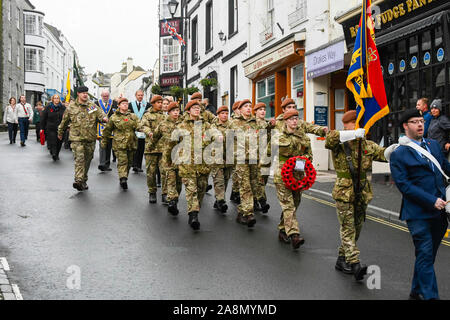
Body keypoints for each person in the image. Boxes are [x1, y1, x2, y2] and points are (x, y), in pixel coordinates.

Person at [389, 109, 450, 300]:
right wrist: (432, 200)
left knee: (427, 257)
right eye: (415, 122)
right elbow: (405, 186)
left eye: (421, 121)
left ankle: (415, 291)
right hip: (417, 214)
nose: (420, 124)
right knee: (424, 253)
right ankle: (431, 296)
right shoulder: (399, 153)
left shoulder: (433, 145)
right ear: (406, 126)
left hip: (440, 214)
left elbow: (445, 169)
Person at [325, 110, 387, 281]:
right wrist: (351, 134)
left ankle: (341, 259)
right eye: (354, 124)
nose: (360, 127)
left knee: (357, 228)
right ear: (347, 125)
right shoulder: (339, 142)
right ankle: (355, 263)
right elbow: (329, 139)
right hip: (344, 191)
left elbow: (385, 155)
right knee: (348, 228)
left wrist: (401, 148)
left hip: (361, 191)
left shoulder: (367, 145)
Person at [273, 109, 313, 250]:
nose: (294, 121)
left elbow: (309, 155)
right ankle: (294, 235)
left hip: (298, 176)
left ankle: (283, 230)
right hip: (282, 175)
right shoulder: (278, 136)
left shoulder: (304, 137)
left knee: (295, 203)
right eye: (291, 119)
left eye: (296, 118)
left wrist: (302, 160)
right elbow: (267, 153)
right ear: (285, 121)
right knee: (288, 205)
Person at [57, 86, 108, 191]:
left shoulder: (92, 106)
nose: (85, 95)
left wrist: (104, 118)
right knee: (79, 159)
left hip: (90, 139)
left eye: (86, 93)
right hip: (77, 138)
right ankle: (78, 180)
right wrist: (60, 132)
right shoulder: (71, 107)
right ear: (78, 94)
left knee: (88, 160)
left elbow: (101, 115)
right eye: (83, 93)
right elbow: (64, 121)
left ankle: (83, 180)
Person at [175, 100, 213, 230]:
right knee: (191, 190)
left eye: (199, 108)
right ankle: (193, 215)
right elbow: (172, 143)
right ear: (188, 110)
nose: (197, 109)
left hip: (203, 163)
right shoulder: (181, 126)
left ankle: (195, 209)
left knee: (201, 188)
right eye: (194, 108)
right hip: (187, 164)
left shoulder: (206, 125)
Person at [230, 99, 261, 228]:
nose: (248, 108)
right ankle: (248, 213)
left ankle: (242, 212)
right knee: (245, 185)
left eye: (250, 106)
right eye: (245, 106)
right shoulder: (234, 123)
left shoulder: (256, 123)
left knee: (254, 184)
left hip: (254, 158)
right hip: (241, 159)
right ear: (240, 109)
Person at [149, 102, 183, 215]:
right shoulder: (163, 124)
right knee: (170, 179)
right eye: (174, 111)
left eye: (177, 111)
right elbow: (155, 137)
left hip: (181, 157)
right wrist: (150, 147)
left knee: (179, 182)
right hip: (168, 158)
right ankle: (172, 201)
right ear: (169, 112)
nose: (176, 113)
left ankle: (174, 198)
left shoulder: (183, 123)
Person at [101, 98, 139, 190]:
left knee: (129, 163)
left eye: (126, 103)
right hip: (119, 144)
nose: (125, 105)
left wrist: (144, 130)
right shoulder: (114, 117)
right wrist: (104, 142)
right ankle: (123, 178)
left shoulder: (133, 116)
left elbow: (139, 125)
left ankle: (124, 176)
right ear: (119, 106)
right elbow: (107, 131)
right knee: (122, 162)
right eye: (123, 104)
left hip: (131, 143)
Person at [139, 95, 166, 204]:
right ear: (153, 103)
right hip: (151, 148)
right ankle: (152, 192)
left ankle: (165, 194)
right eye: (158, 102)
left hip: (163, 148)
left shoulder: (165, 115)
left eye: (161, 102)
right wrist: (149, 132)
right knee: (151, 172)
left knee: (165, 172)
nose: (160, 104)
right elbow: (143, 126)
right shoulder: (147, 115)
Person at [210, 106, 232, 214]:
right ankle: (221, 200)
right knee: (219, 180)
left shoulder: (231, 125)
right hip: (216, 157)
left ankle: (218, 199)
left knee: (226, 179)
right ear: (218, 115)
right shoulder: (213, 126)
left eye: (226, 113)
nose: (224, 115)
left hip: (228, 157)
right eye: (222, 113)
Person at [254, 102, 272, 214]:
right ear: (255, 111)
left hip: (266, 156)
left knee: (264, 180)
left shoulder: (268, 123)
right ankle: (262, 201)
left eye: (264, 109)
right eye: (260, 109)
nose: (262, 111)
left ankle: (254, 200)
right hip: (254, 157)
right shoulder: (252, 123)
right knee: (258, 180)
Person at [96, 90, 118, 172]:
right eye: (104, 96)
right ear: (101, 95)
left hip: (111, 127)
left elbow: (117, 114)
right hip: (100, 127)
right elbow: (92, 114)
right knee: (102, 146)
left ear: (109, 96)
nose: (105, 97)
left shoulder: (114, 103)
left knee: (109, 146)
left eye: (107, 96)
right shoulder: (96, 103)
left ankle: (107, 164)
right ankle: (102, 164)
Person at [129, 90, 150, 173]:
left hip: (142, 129)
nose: (140, 97)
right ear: (135, 95)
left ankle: (139, 165)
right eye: (139, 95)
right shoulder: (131, 105)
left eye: (141, 95)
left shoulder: (147, 105)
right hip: (134, 129)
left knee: (141, 148)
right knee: (134, 147)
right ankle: (134, 164)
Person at [41, 95, 66, 161]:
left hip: (60, 128)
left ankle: (57, 153)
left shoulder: (63, 107)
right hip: (51, 127)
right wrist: (42, 128)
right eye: (55, 98)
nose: (56, 100)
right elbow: (43, 118)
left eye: (57, 98)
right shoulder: (48, 107)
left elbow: (66, 118)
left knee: (59, 142)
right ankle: (54, 153)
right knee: (53, 140)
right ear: (52, 99)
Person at [230, 100, 241, 204]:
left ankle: (236, 192)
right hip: (234, 151)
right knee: (236, 173)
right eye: (238, 108)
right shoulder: (232, 121)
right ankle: (235, 191)